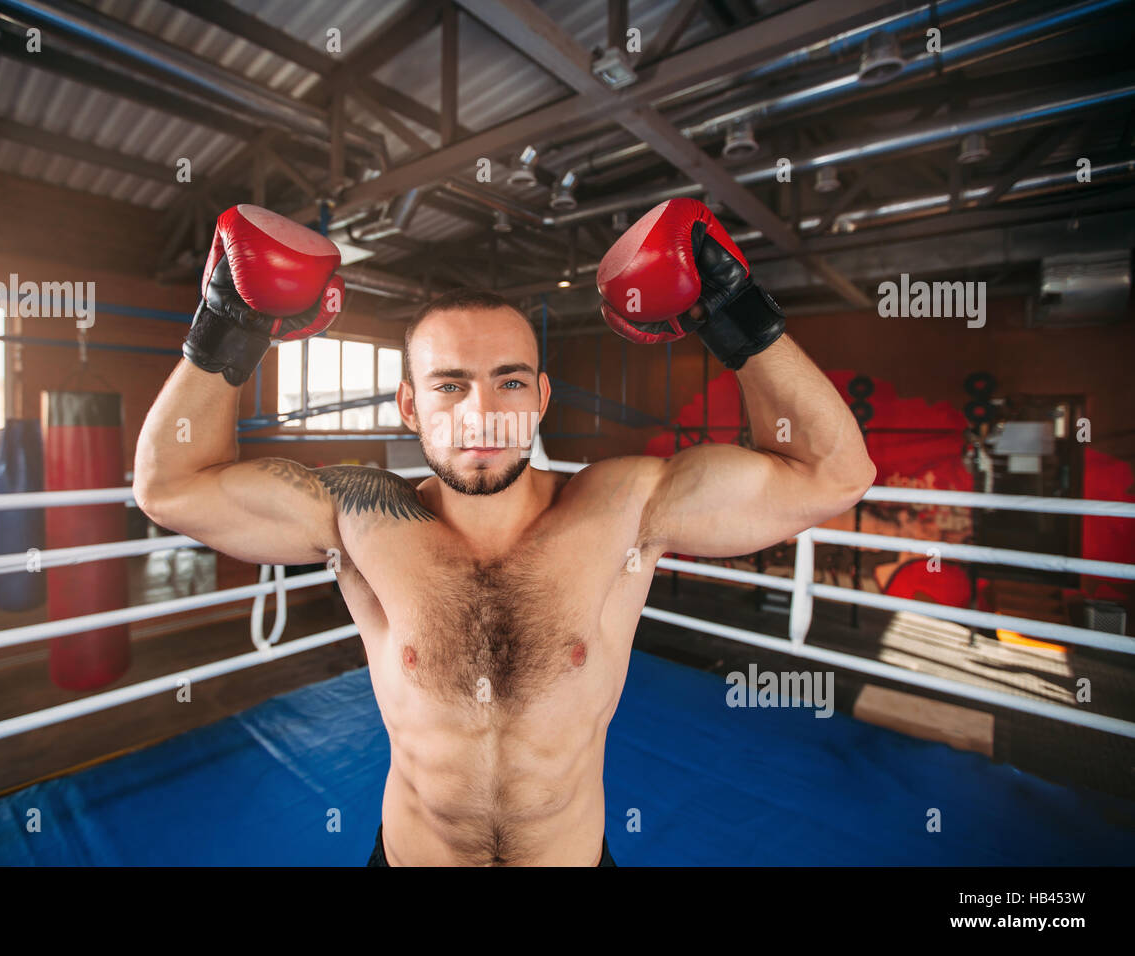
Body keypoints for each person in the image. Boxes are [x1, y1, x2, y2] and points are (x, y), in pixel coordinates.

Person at [133, 199, 876, 866]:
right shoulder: (359, 512)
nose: (481, 411)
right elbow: (171, 487)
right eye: (450, 384)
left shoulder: (624, 506)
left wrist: (732, 308)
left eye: (510, 380)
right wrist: (227, 325)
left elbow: (832, 474)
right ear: (410, 406)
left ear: (542, 396)